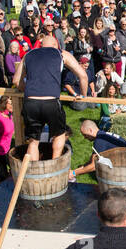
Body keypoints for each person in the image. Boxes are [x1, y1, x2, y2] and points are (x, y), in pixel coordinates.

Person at [17, 33, 88, 164]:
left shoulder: (28, 55)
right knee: (59, 134)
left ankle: (34, 174)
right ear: (56, 45)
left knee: (33, 141)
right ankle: (54, 165)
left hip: (30, 101)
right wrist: (82, 95)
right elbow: (83, 76)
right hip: (51, 101)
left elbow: (17, 81)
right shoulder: (61, 54)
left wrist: (28, 90)